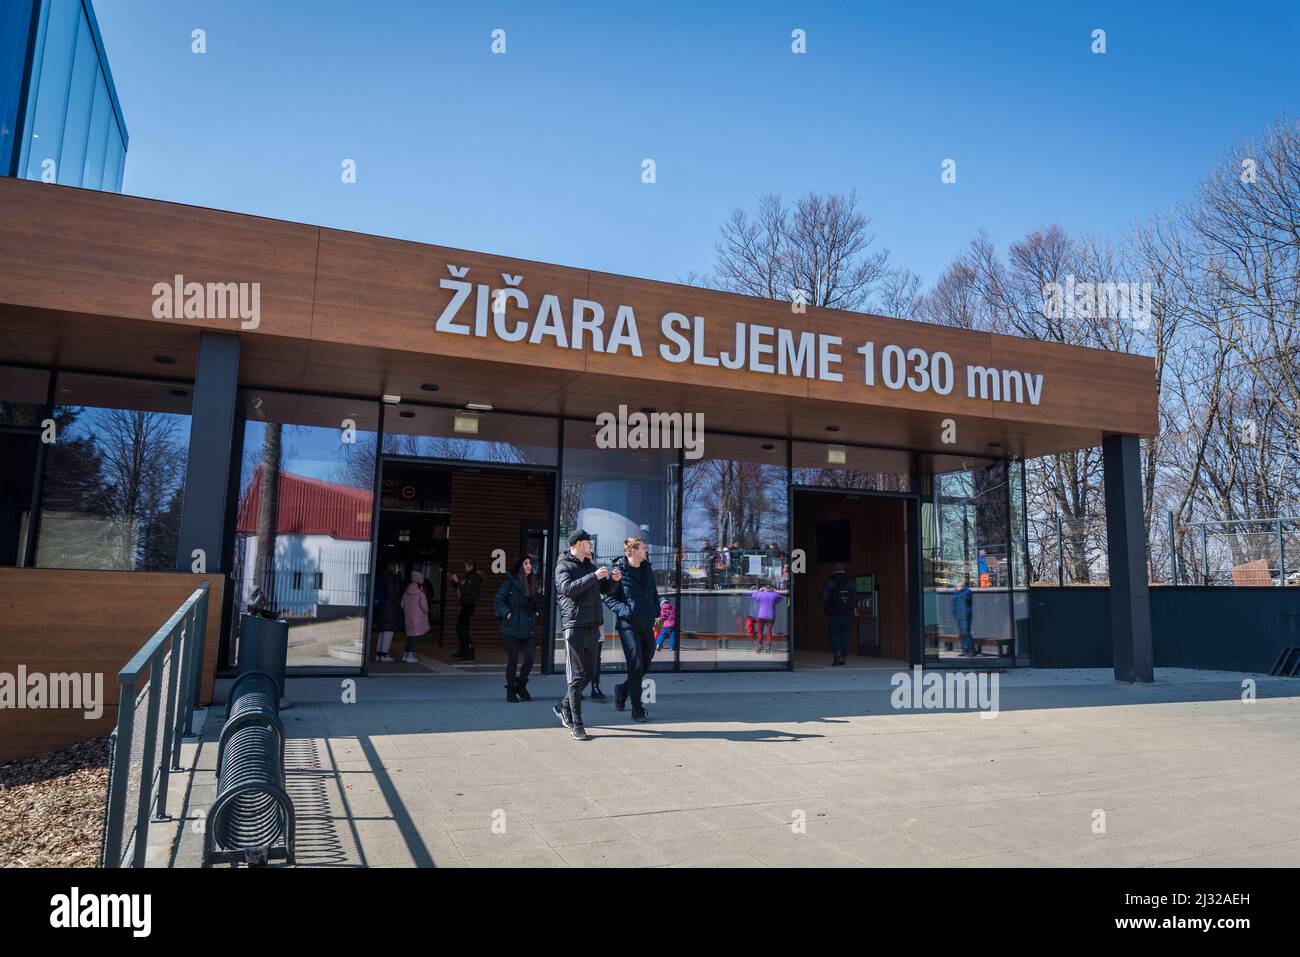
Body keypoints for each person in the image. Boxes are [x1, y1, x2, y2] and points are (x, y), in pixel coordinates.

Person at [553, 529, 618, 741]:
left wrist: (613, 581)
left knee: (590, 673)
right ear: (579, 544)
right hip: (574, 625)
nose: (591, 545)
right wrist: (593, 576)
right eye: (588, 542)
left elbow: (604, 589)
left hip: (592, 624)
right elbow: (568, 589)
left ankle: (563, 706)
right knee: (576, 676)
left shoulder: (589, 566)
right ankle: (577, 724)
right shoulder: (563, 565)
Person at [603, 536, 660, 722]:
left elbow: (654, 593)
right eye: (644, 548)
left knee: (645, 663)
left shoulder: (647, 568)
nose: (646, 551)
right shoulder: (618, 571)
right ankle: (637, 708)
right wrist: (626, 612)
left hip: (646, 624)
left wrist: (656, 611)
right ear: (633, 551)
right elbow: (609, 597)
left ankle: (623, 689)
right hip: (628, 626)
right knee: (635, 665)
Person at [494, 554, 540, 702]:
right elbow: (499, 600)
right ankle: (511, 690)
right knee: (512, 661)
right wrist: (507, 614)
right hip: (512, 626)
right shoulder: (510, 582)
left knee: (530, 658)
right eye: (526, 563)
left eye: (530, 564)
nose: (529, 566)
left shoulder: (533, 581)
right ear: (520, 566)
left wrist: (537, 612)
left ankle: (521, 684)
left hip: (528, 626)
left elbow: (536, 604)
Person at [448, 559, 481, 661]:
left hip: (469, 605)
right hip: (466, 604)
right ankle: (463, 651)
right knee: (460, 628)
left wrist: (457, 581)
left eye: (466, 566)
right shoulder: (469, 577)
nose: (465, 568)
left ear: (471, 567)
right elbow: (460, 590)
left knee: (462, 628)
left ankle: (469, 653)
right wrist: (453, 582)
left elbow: (465, 590)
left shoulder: (473, 577)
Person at [822, 562, 854, 666]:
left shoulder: (831, 582)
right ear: (843, 570)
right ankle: (843, 656)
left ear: (834, 570)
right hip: (847, 614)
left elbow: (825, 597)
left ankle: (837, 654)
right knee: (845, 635)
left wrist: (828, 608)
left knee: (834, 635)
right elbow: (855, 597)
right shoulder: (849, 582)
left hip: (833, 614)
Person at [399, 570, 430, 664]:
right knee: (414, 637)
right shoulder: (421, 593)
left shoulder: (406, 592)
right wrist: (426, 612)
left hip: (408, 617)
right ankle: (410, 656)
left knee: (409, 636)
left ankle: (405, 655)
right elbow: (424, 607)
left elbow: (402, 604)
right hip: (418, 618)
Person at [375, 560, 403, 662]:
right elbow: (392, 594)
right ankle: (384, 654)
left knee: (382, 631)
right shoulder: (391, 578)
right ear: (394, 567)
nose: (399, 569)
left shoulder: (383, 577)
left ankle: (379, 655)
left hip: (383, 608)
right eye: (398, 567)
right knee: (388, 631)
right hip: (389, 609)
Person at [750, 584, 784, 654]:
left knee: (760, 632)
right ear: (771, 588)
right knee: (769, 632)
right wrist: (775, 591)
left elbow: (753, 595)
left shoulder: (760, 594)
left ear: (764, 588)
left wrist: (759, 590)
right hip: (771, 616)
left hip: (761, 615)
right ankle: (768, 647)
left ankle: (759, 646)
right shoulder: (774, 595)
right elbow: (781, 597)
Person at [952, 578, 975, 656]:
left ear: (963, 585)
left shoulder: (968, 592)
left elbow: (966, 599)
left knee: (966, 633)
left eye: (959, 585)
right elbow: (954, 603)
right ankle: (964, 650)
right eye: (957, 585)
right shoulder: (955, 593)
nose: (957, 587)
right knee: (961, 633)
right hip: (959, 615)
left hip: (965, 615)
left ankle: (971, 650)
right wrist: (954, 613)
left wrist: (960, 591)